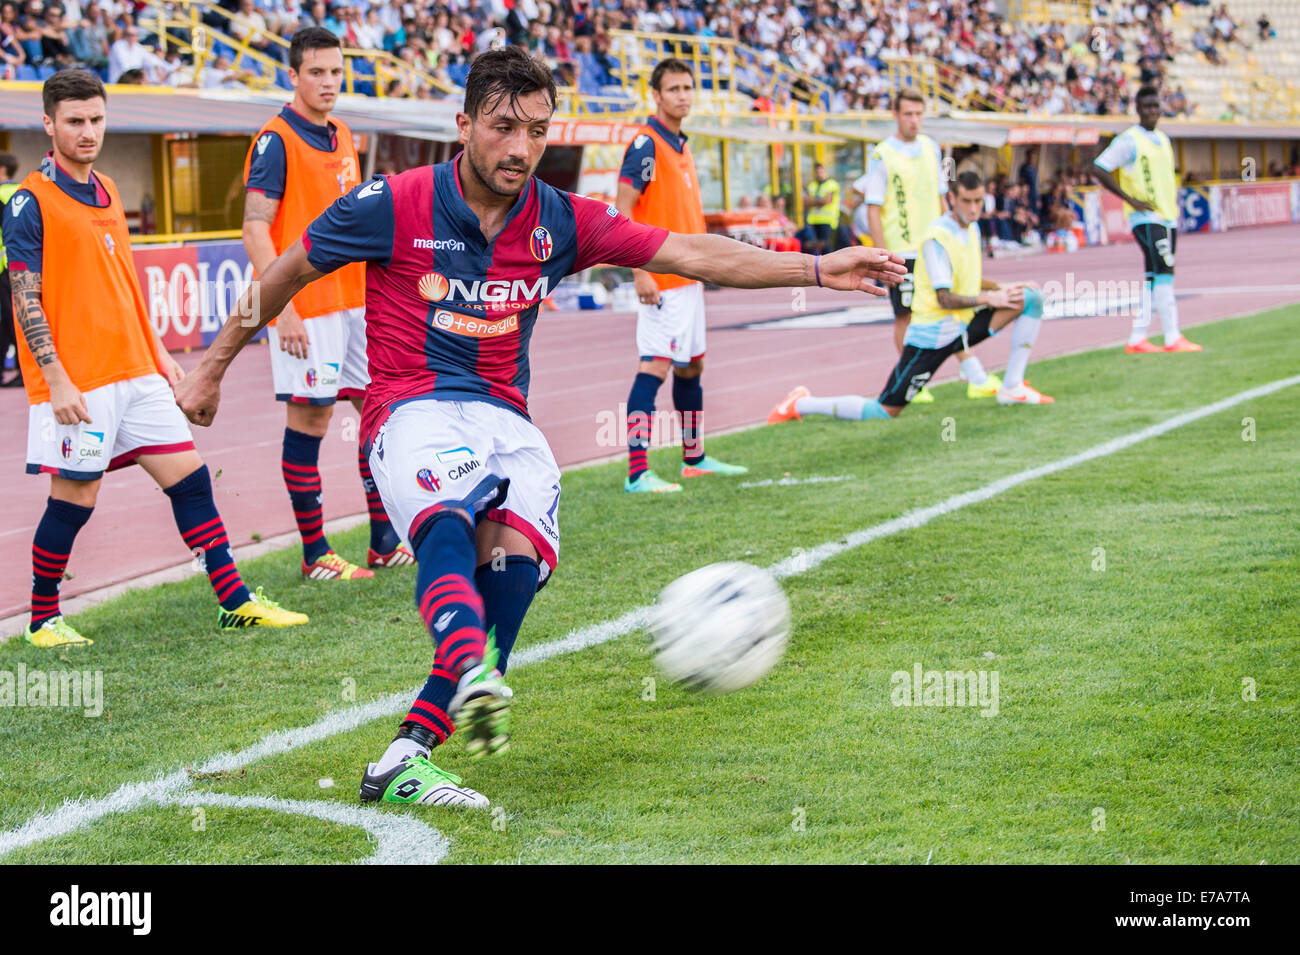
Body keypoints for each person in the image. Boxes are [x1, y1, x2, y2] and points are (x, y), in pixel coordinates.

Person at [176, 47, 904, 808]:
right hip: (411, 406)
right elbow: (284, 271)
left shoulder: (561, 218)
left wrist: (817, 269)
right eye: (502, 126)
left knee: (517, 557)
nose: (520, 147)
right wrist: (211, 368)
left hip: (506, 420)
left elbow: (691, 252)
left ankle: (405, 754)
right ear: (464, 125)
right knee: (450, 519)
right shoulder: (391, 204)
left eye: (536, 130)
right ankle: (473, 661)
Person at [3, 70, 307, 648]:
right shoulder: (28, 202)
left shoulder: (110, 188)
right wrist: (56, 379)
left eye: (96, 119)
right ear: (48, 124)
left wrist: (160, 353)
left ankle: (235, 603)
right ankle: (42, 621)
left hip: (137, 371)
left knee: (191, 480)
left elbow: (123, 283)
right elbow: (25, 298)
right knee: (75, 500)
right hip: (79, 380)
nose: (88, 131)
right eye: (74, 121)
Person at [244, 27, 412, 581]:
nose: (328, 82)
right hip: (306, 306)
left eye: (336, 72)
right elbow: (255, 228)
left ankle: (383, 541)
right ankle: (316, 554)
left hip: (355, 303)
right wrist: (281, 306)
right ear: (293, 75)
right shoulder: (274, 140)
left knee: (377, 411)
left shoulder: (341, 132)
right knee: (312, 419)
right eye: (316, 72)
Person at [769, 170, 1054, 427]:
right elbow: (945, 298)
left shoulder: (972, 228)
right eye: (967, 201)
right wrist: (991, 298)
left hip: (963, 326)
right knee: (883, 411)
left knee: (1030, 297)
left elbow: (968, 281)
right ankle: (800, 403)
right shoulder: (937, 238)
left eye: (978, 201)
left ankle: (1012, 387)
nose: (973, 208)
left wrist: (1005, 287)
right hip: (932, 337)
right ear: (951, 198)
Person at [615, 56, 747, 495]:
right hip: (661, 278)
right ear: (656, 95)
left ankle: (694, 459)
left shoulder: (680, 144)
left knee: (692, 366)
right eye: (673, 89)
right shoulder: (646, 145)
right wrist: (640, 271)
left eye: (687, 88)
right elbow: (622, 210)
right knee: (654, 365)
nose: (682, 96)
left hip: (690, 280)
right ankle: (637, 473)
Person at [852, 89, 997, 403]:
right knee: (906, 316)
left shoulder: (931, 148)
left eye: (919, 114)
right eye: (908, 114)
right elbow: (873, 208)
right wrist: (880, 256)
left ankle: (974, 376)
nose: (914, 120)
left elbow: (942, 197)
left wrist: (952, 232)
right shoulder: (882, 155)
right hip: (902, 251)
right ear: (896, 115)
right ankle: (912, 382)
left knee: (950, 309)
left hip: (935, 245)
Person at [1092, 85, 1201, 354]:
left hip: (1167, 215)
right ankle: (1172, 336)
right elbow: (1099, 167)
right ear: (1138, 109)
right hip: (1147, 216)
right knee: (1165, 272)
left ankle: (1137, 338)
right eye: (1147, 107)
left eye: (1155, 106)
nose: (1152, 111)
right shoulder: (1129, 140)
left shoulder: (1163, 138)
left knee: (1154, 276)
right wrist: (1130, 200)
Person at [1, 151, 22, 387]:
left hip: (5, 268)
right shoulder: (22, 191)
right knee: (9, 320)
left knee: (11, 319)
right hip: (17, 264)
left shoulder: (1, 194)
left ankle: (23, 373)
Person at [802, 161, 839, 254]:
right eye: (817, 172)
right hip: (813, 220)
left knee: (826, 247)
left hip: (827, 220)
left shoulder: (831, 184)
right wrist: (819, 201)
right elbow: (806, 202)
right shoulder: (812, 185)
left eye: (821, 172)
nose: (819, 174)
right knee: (815, 247)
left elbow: (826, 201)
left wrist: (813, 201)